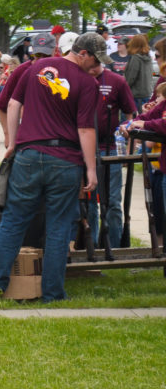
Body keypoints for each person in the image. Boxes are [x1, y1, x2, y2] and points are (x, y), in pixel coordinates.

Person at [0, 32, 107, 302]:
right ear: (83, 53)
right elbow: (85, 129)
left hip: (29, 153)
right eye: (95, 59)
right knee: (60, 226)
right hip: (65, 158)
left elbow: (13, 103)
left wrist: (12, 142)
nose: (96, 66)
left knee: (13, 221)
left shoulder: (37, 67)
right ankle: (52, 293)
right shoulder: (86, 83)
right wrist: (91, 169)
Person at [84, 60, 137, 248]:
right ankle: (91, 247)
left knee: (113, 201)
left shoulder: (116, 81)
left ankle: (114, 247)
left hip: (111, 148)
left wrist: (128, 141)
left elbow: (130, 113)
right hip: (85, 148)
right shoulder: (79, 78)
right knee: (89, 201)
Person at [124, 34, 155, 110]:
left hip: (136, 95)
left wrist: (124, 89)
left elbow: (131, 77)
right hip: (146, 93)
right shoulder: (148, 57)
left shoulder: (136, 58)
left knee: (131, 119)